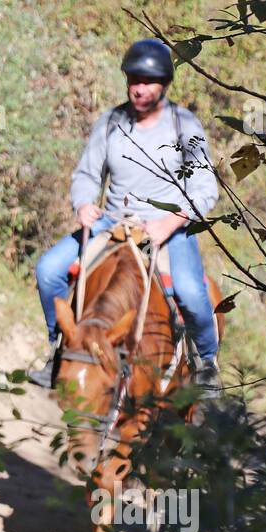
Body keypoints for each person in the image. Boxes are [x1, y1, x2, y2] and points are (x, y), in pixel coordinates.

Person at [27, 38, 221, 394]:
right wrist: (83, 202)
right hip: (113, 221)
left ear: (164, 85)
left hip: (168, 227)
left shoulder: (185, 126)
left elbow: (205, 188)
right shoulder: (111, 122)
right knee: (48, 270)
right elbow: (87, 174)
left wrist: (171, 221)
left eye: (147, 82)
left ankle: (207, 362)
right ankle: (60, 347)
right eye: (133, 80)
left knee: (193, 293)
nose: (139, 89)